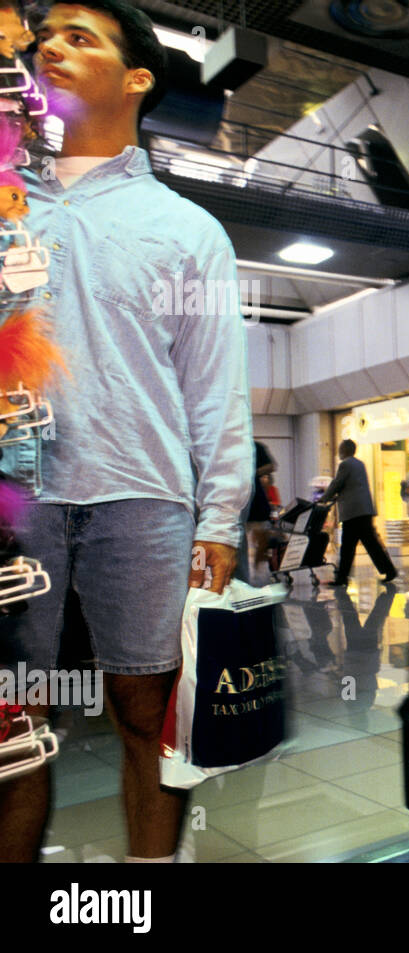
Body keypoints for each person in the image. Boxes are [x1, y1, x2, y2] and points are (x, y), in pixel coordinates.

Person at [0, 0, 253, 863]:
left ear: (138, 76)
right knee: (14, 722)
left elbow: (214, 383)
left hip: (142, 496)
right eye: (44, 37)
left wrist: (221, 516)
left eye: (81, 36)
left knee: (148, 715)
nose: (50, 47)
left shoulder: (189, 231)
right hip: (15, 499)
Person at [318, 439, 398, 586]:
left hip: (353, 512)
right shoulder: (359, 463)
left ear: (345, 450)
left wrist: (324, 498)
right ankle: (388, 570)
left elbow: (337, 483)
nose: (338, 451)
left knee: (349, 546)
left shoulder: (345, 464)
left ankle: (343, 577)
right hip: (364, 510)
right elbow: (350, 485)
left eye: (340, 449)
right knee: (369, 543)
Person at [246, 441, 277, 574]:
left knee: (263, 538)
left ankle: (258, 570)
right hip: (240, 501)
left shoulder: (255, 446)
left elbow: (271, 466)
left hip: (255, 502)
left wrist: (254, 472)